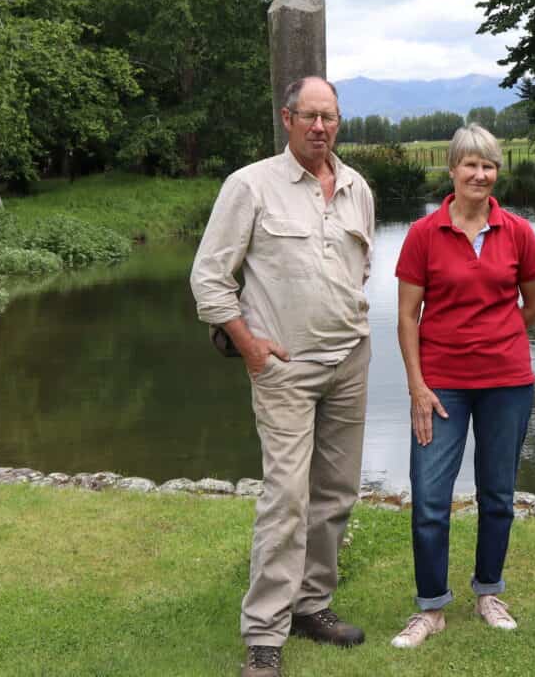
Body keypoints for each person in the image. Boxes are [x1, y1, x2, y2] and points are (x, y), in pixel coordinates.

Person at [189, 77, 376, 677]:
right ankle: (264, 636)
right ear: (287, 118)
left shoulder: (356, 189)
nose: (320, 127)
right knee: (287, 498)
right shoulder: (249, 186)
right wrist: (247, 345)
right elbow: (209, 279)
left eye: (330, 118)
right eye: (309, 117)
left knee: (336, 494)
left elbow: (359, 271)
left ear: (338, 123)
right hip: (283, 369)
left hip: (349, 360)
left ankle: (312, 605)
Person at [387, 123, 535, 650]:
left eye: (489, 165)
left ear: (497, 171)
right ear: (452, 170)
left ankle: (488, 593)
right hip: (441, 388)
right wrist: (416, 385)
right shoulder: (422, 235)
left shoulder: (520, 232)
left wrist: (498, 336)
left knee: (498, 496)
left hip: (507, 384)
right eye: (470, 164)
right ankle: (431, 608)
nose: (480, 174)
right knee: (431, 499)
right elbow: (407, 317)